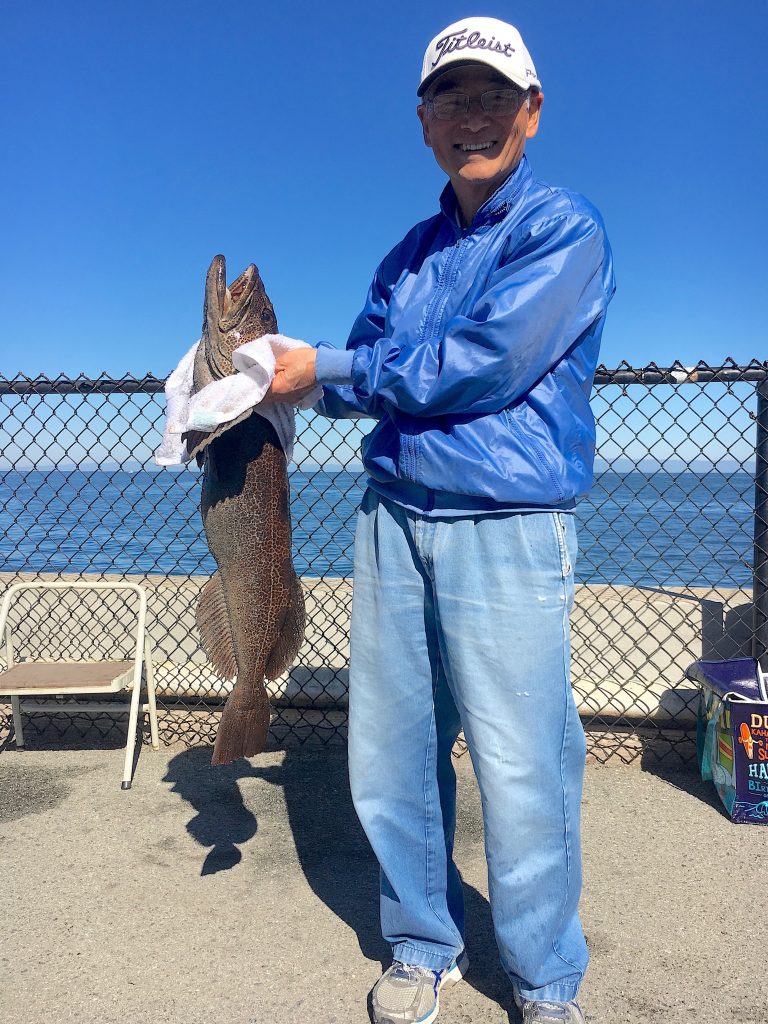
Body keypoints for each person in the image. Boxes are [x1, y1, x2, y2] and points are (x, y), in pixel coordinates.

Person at [265, 16, 615, 1024]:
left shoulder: (564, 228)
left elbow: (483, 360)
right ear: (423, 123)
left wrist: (324, 367)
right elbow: (365, 373)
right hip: (393, 520)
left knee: (524, 762)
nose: (473, 117)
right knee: (391, 753)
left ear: (532, 113)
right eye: (451, 99)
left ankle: (546, 980)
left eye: (493, 97)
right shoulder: (405, 255)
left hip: (507, 524)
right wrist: (265, 382)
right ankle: (422, 941)